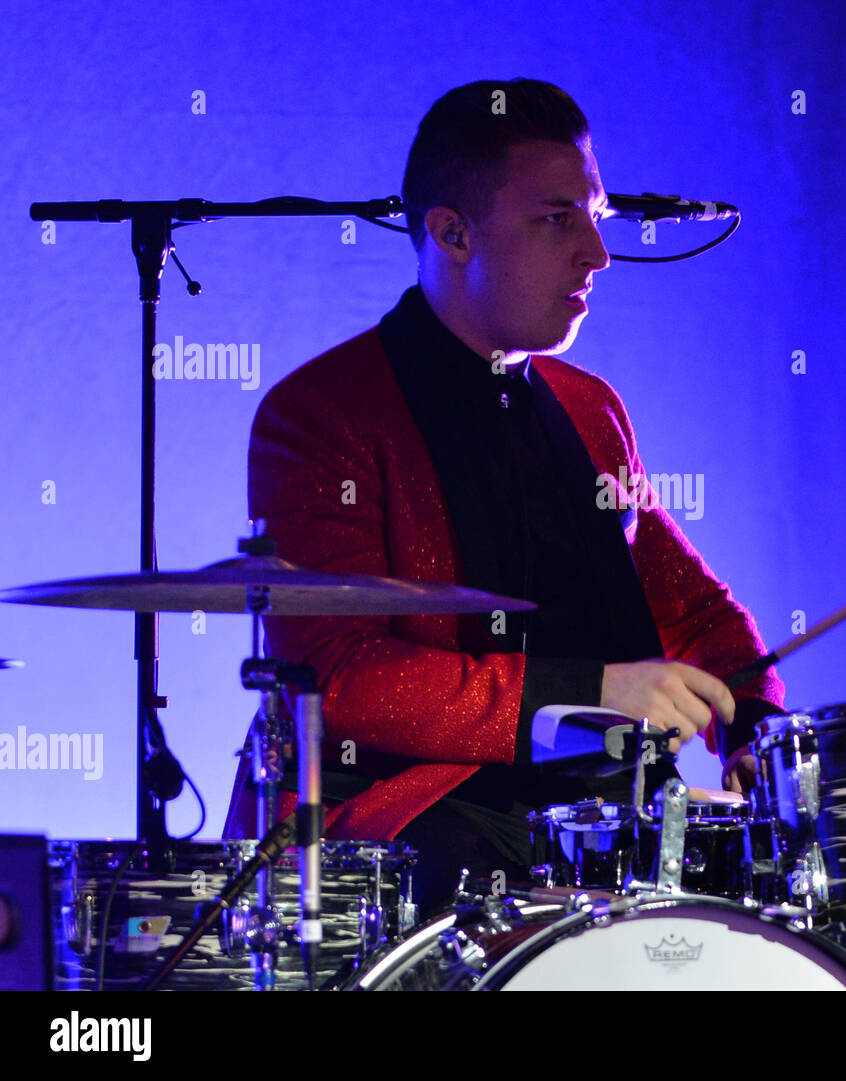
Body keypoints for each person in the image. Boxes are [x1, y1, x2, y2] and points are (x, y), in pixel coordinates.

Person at [223, 78, 783, 909]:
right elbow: (337, 677)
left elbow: (697, 616)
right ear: (450, 232)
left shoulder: (591, 409)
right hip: (412, 823)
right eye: (559, 218)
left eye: (596, 213)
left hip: (597, 815)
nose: (597, 251)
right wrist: (590, 692)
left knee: (774, 866)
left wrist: (754, 727)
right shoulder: (319, 415)